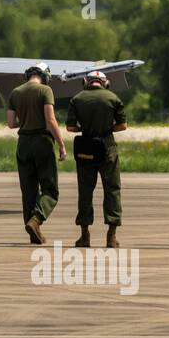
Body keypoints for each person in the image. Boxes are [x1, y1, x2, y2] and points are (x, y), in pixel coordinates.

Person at [65, 69, 126, 248]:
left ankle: (84, 236)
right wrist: (106, 129)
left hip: (86, 149)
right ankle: (111, 236)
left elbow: (70, 127)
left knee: (85, 191)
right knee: (112, 190)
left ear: (86, 81)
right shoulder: (113, 98)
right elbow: (122, 125)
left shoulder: (77, 99)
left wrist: (86, 129)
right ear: (105, 82)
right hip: (108, 148)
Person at [7, 62, 67, 245]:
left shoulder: (15, 92)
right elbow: (50, 120)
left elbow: (11, 123)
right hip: (42, 142)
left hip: (23, 143)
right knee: (50, 189)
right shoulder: (45, 91)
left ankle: (33, 230)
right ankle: (36, 220)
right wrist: (61, 145)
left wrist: (26, 120)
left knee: (28, 190)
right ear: (45, 75)